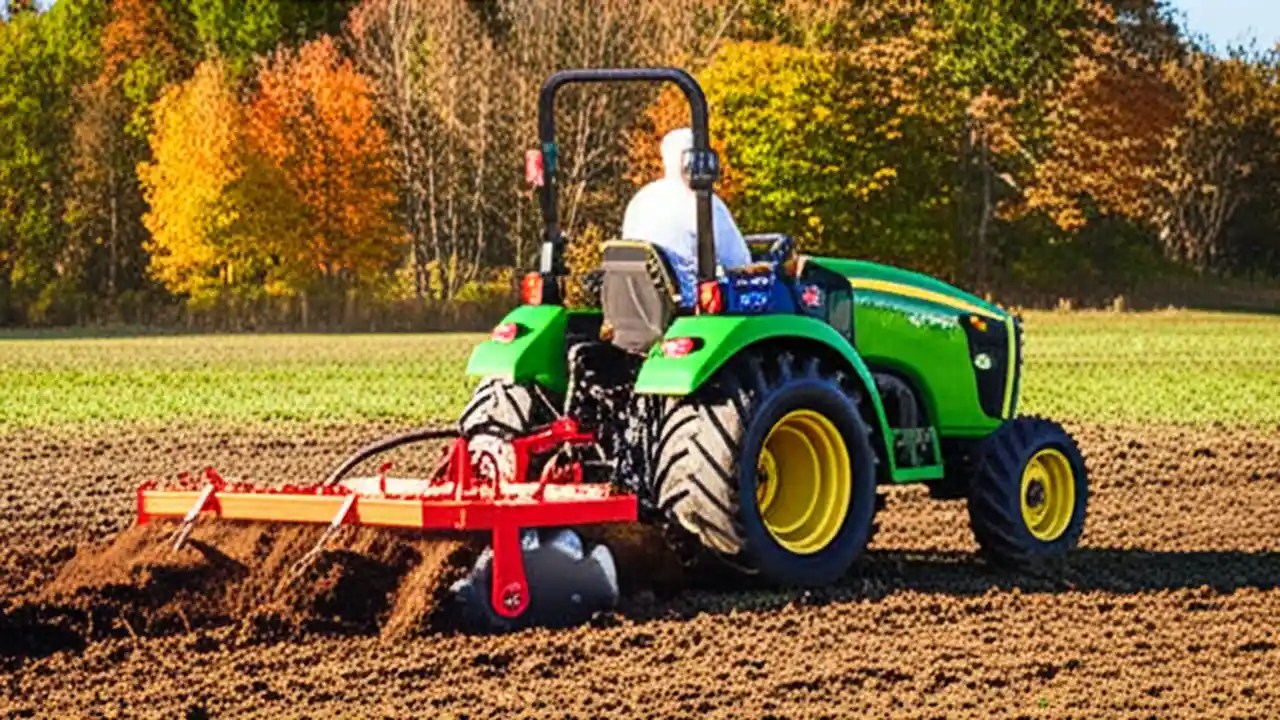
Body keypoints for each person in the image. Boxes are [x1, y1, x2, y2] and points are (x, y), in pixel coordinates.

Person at [621, 127, 751, 306]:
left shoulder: (641, 199)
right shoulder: (704, 203)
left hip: (639, 307)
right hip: (689, 305)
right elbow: (738, 262)